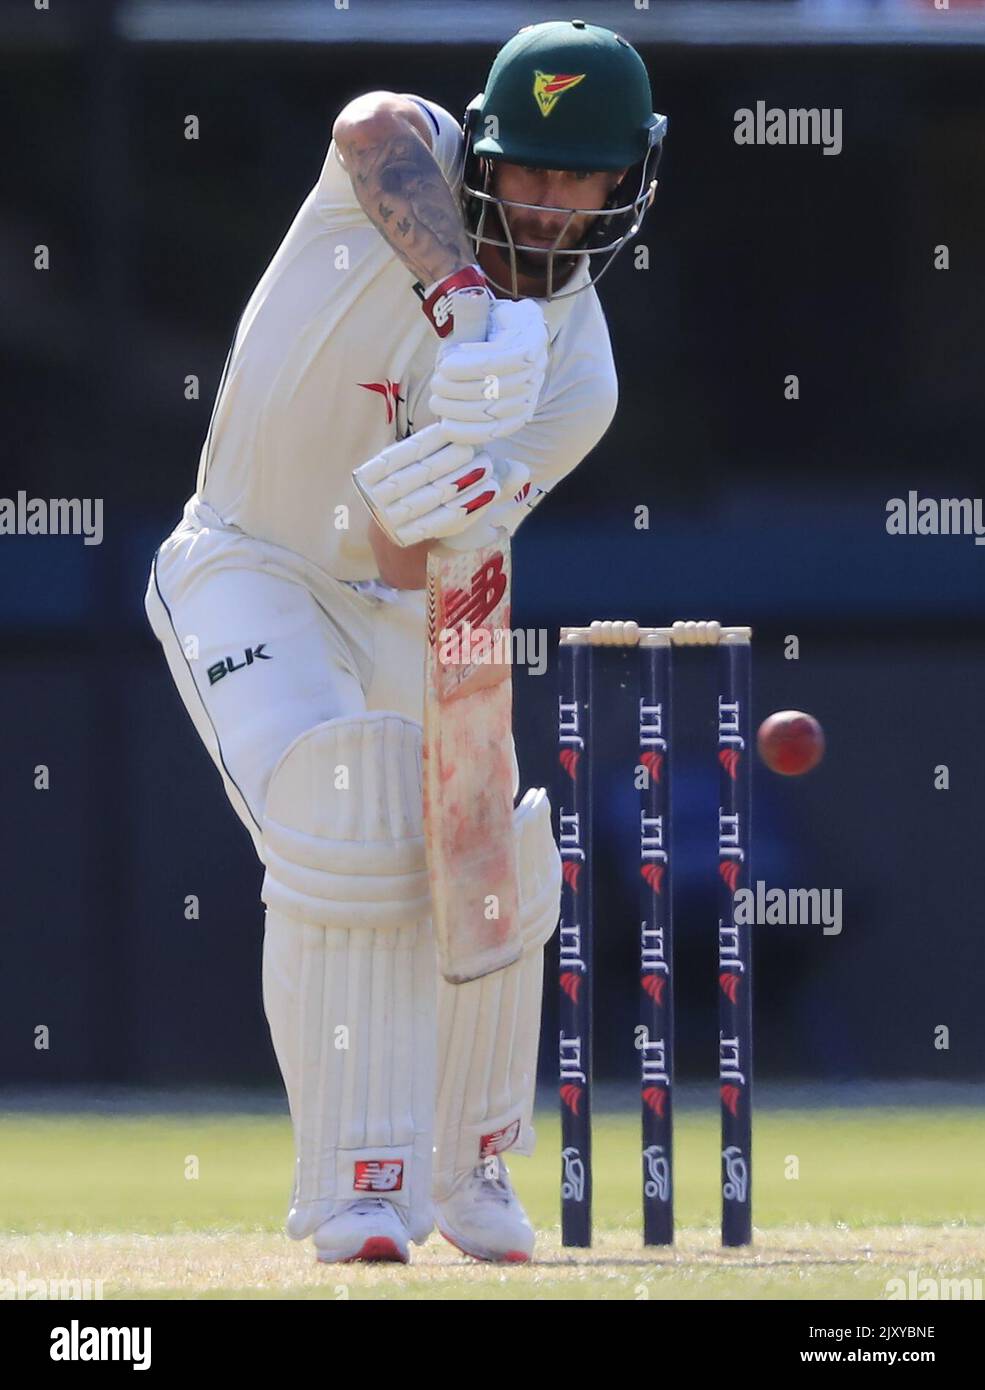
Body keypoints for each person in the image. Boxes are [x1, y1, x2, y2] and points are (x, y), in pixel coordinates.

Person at [144, 19, 666, 1265]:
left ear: (624, 180)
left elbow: (401, 562)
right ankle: (354, 1190)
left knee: (489, 847)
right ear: (483, 150)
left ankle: (468, 1162)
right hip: (246, 561)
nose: (548, 203)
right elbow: (369, 120)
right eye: (529, 168)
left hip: (398, 601)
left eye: (577, 176)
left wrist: (430, 481)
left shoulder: (577, 377)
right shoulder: (403, 170)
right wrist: (466, 305)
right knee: (346, 805)